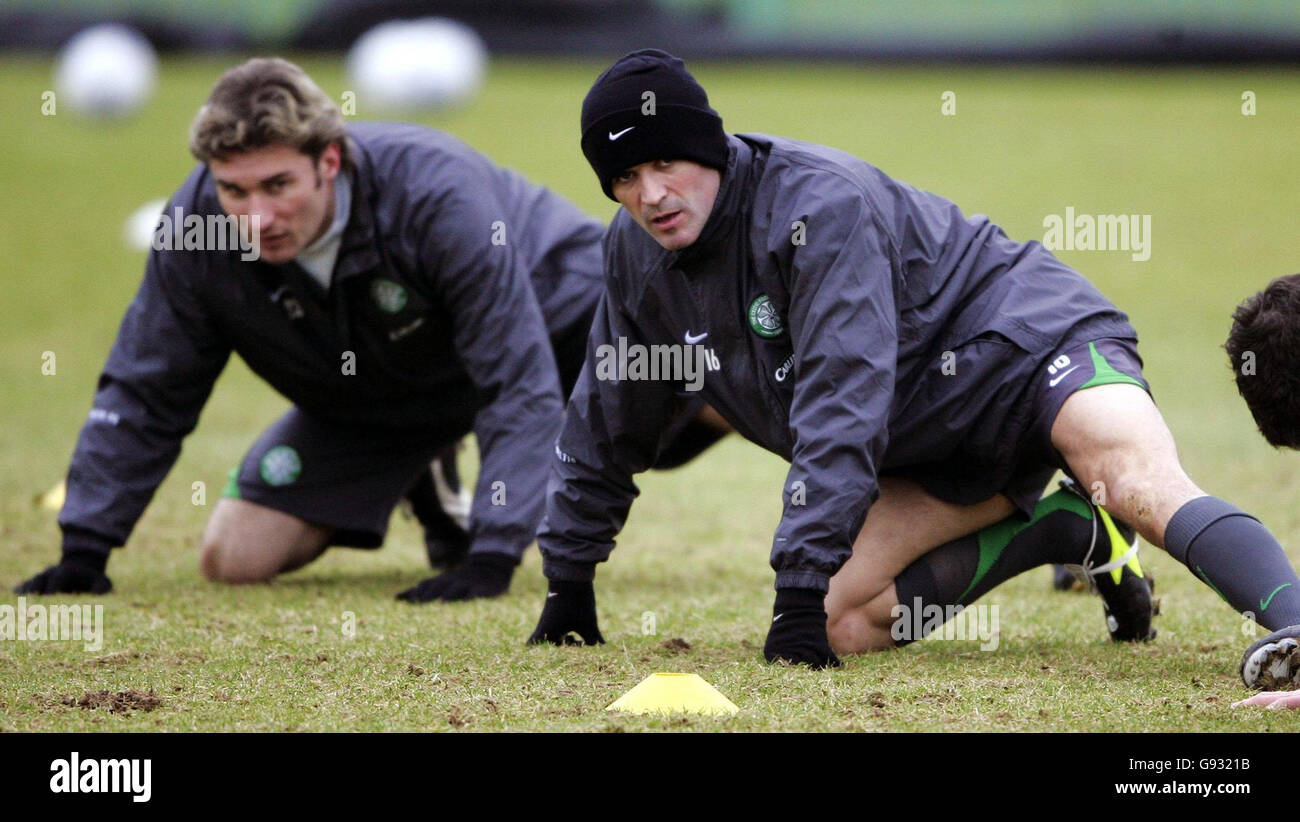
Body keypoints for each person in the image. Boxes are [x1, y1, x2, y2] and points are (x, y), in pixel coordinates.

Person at [526, 50, 1300, 693]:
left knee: (1136, 482)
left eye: (664, 163)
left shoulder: (818, 207)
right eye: (624, 178)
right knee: (843, 621)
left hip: (1032, 342)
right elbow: (609, 411)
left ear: (708, 147)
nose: (650, 195)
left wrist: (792, 584)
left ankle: (1293, 621)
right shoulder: (635, 256)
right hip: (926, 436)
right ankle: (1066, 529)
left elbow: (841, 396)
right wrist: (569, 582)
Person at [13, 57, 726, 604]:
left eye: (277, 187)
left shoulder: (436, 193)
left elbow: (516, 379)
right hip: (386, 384)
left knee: (701, 396)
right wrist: (86, 547)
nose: (255, 216)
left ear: (328, 159)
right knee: (234, 559)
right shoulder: (198, 230)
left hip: (561, 320)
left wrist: (491, 554)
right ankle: (432, 460)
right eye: (234, 190)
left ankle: (817, 494)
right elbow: (148, 385)